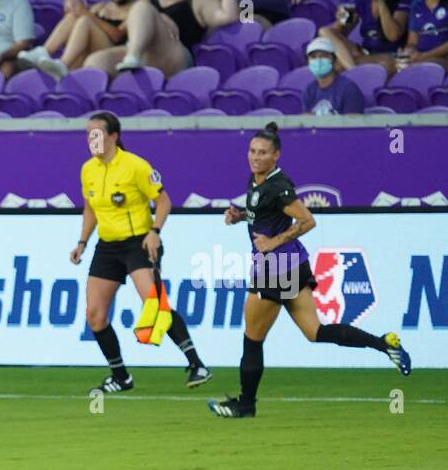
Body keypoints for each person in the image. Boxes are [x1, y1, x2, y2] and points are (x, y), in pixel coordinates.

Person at [209, 123, 410, 418]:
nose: (255, 157)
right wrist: (241, 216)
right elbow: (267, 216)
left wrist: (272, 243)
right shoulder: (259, 181)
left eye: (263, 153)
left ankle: (245, 405)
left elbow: (307, 221)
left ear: (276, 156)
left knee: (252, 338)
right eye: (252, 151)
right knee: (315, 332)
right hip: (292, 265)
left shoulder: (278, 186)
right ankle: (385, 344)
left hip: (276, 268)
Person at [71, 112, 211, 393]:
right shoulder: (88, 169)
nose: (91, 139)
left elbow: (163, 200)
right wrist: (83, 242)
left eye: (96, 133)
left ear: (113, 136)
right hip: (107, 246)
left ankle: (197, 364)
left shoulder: (135, 166)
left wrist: (155, 232)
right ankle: (121, 376)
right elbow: (90, 209)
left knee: (153, 305)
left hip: (138, 243)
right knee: (95, 316)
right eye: (88, 134)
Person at [86, 0, 238, 77]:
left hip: (175, 54)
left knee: (142, 7)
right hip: (145, 54)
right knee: (95, 62)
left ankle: (133, 56)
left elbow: (229, 16)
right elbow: (124, 27)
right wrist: (159, 17)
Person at [20, 0, 137, 78]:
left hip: (112, 54)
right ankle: (43, 51)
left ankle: (63, 64)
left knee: (84, 20)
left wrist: (85, 13)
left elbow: (118, 35)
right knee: (74, 17)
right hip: (90, 51)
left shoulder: (135, 9)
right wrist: (73, 10)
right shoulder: (101, 6)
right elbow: (75, 37)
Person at [318, 0, 410, 74]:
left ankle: (353, 71)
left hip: (391, 55)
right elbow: (341, 32)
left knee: (338, 66)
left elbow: (393, 36)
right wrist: (341, 20)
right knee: (324, 31)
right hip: (365, 51)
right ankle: (354, 71)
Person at [302, 36, 365, 113]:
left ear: (334, 59)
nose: (318, 60)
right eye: (313, 57)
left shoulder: (348, 88)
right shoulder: (309, 90)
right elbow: (306, 120)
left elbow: (353, 122)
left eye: (324, 56)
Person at [404, 0, 448, 66]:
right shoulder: (417, 4)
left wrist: (425, 56)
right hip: (421, 58)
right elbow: (412, 41)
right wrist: (409, 51)